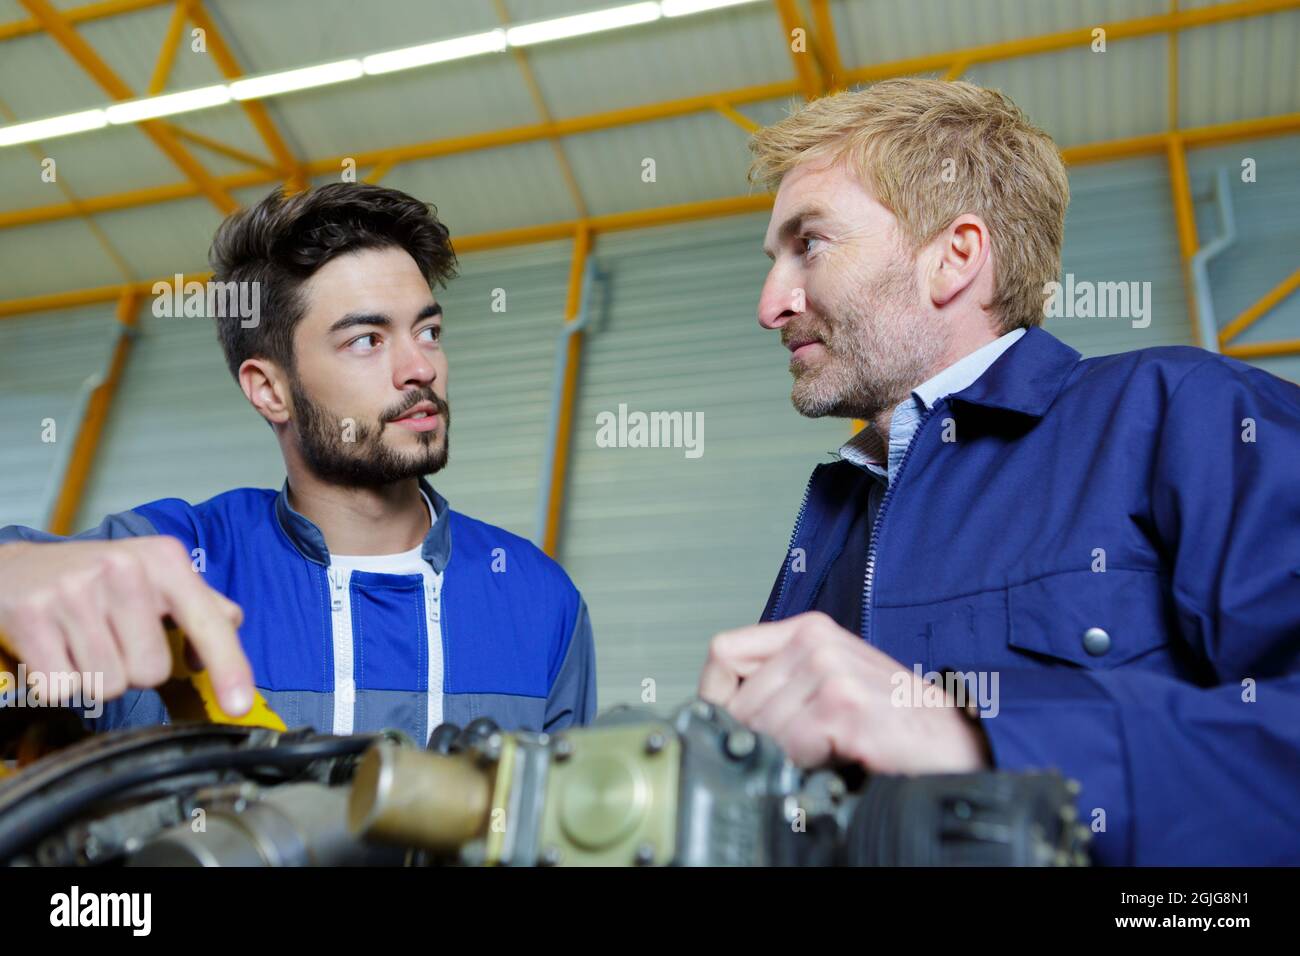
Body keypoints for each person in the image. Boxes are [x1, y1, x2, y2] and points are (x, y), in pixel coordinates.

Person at [699, 79, 1300, 865]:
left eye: (808, 243)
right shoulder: (840, 507)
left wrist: (972, 740)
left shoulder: (1185, 413)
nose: (770, 303)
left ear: (954, 258)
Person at [0, 183, 596, 742]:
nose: (420, 367)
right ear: (268, 389)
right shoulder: (169, 563)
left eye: (429, 330)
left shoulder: (540, 600)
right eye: (367, 339)